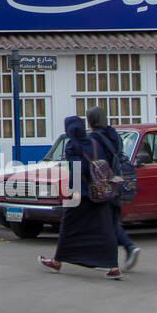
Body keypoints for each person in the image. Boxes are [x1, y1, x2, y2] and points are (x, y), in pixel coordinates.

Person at [40, 115, 122, 279]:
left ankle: (57, 261)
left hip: (80, 193)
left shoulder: (72, 145)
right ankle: (113, 267)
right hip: (99, 191)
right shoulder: (94, 141)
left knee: (68, 226)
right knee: (104, 228)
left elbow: (77, 170)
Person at [87, 106, 140, 271]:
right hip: (117, 180)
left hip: (104, 184)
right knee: (112, 220)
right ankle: (118, 253)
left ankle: (127, 248)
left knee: (107, 223)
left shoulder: (95, 138)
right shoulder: (114, 135)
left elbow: (97, 163)